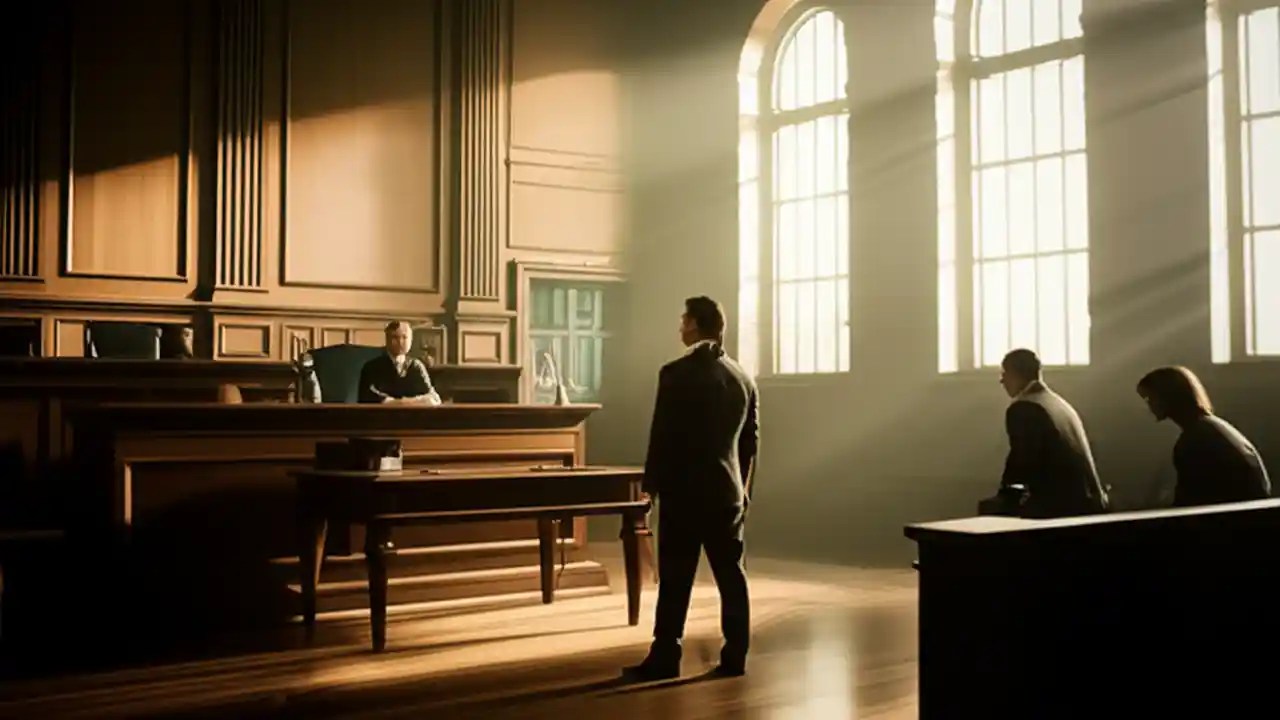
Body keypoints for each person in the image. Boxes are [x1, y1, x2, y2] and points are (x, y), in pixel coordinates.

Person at [625, 296, 759, 681]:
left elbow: (662, 436)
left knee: (676, 578)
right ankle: (736, 655)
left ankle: (666, 655)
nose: (679, 326)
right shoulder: (743, 378)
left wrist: (649, 487)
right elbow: (750, 445)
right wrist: (744, 491)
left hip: (684, 493)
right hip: (728, 493)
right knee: (732, 577)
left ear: (696, 325)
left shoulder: (674, 373)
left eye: (684, 320)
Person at [982, 348, 1109, 518]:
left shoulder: (1024, 407)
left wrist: (1004, 498)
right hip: (1087, 504)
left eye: (1004, 373)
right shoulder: (1058, 403)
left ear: (1015, 373)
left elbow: (1021, 461)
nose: (1001, 380)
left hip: (1061, 508)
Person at [1136, 365, 1270, 507]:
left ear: (1167, 396)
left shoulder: (1194, 441)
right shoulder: (1213, 427)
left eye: (1149, 397)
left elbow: (1189, 504)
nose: (1148, 404)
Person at [357, 321, 442, 405]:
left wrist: (401, 403)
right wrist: (414, 402)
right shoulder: (372, 367)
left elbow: (433, 398)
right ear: (387, 339)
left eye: (404, 337)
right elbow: (369, 397)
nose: (400, 342)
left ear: (411, 340)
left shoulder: (416, 366)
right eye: (395, 337)